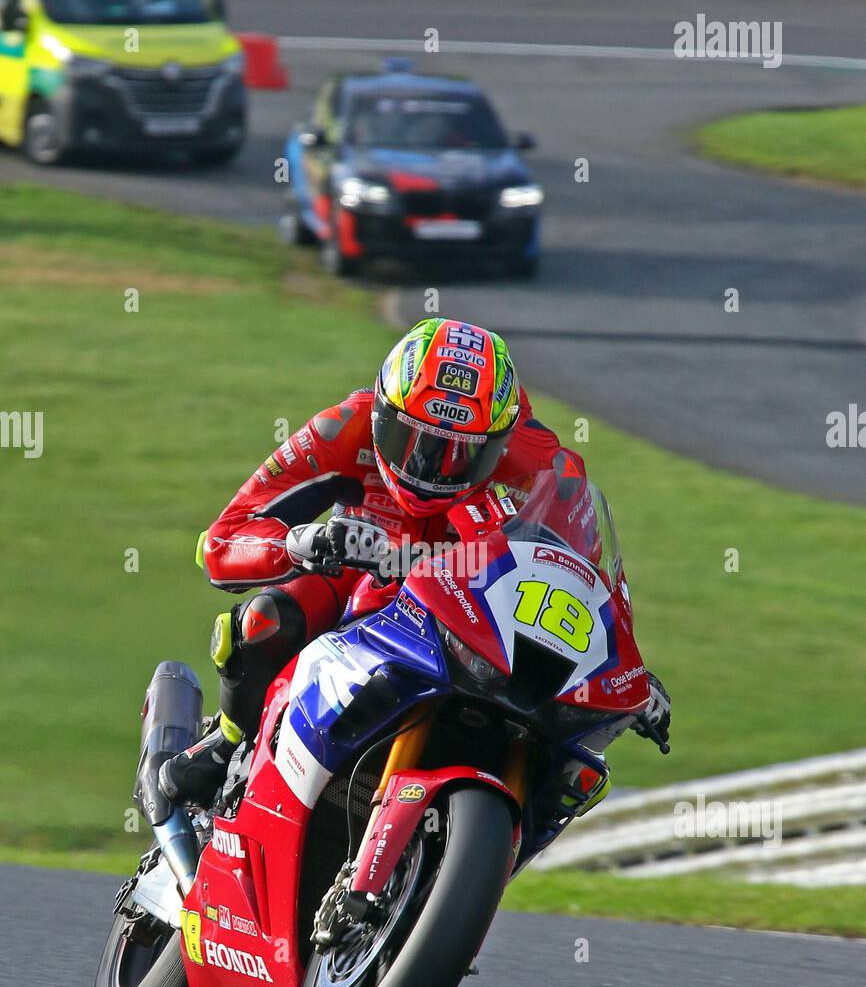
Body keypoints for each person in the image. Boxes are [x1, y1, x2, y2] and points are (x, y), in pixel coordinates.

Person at [160, 318, 670, 807]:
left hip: (474, 617)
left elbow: (593, 582)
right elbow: (222, 542)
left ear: (500, 443)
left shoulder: (545, 468)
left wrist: (631, 674)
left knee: (567, 753)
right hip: (359, 579)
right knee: (265, 621)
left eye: (460, 453)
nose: (431, 467)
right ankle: (231, 745)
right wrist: (302, 543)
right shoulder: (348, 425)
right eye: (416, 440)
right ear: (383, 412)